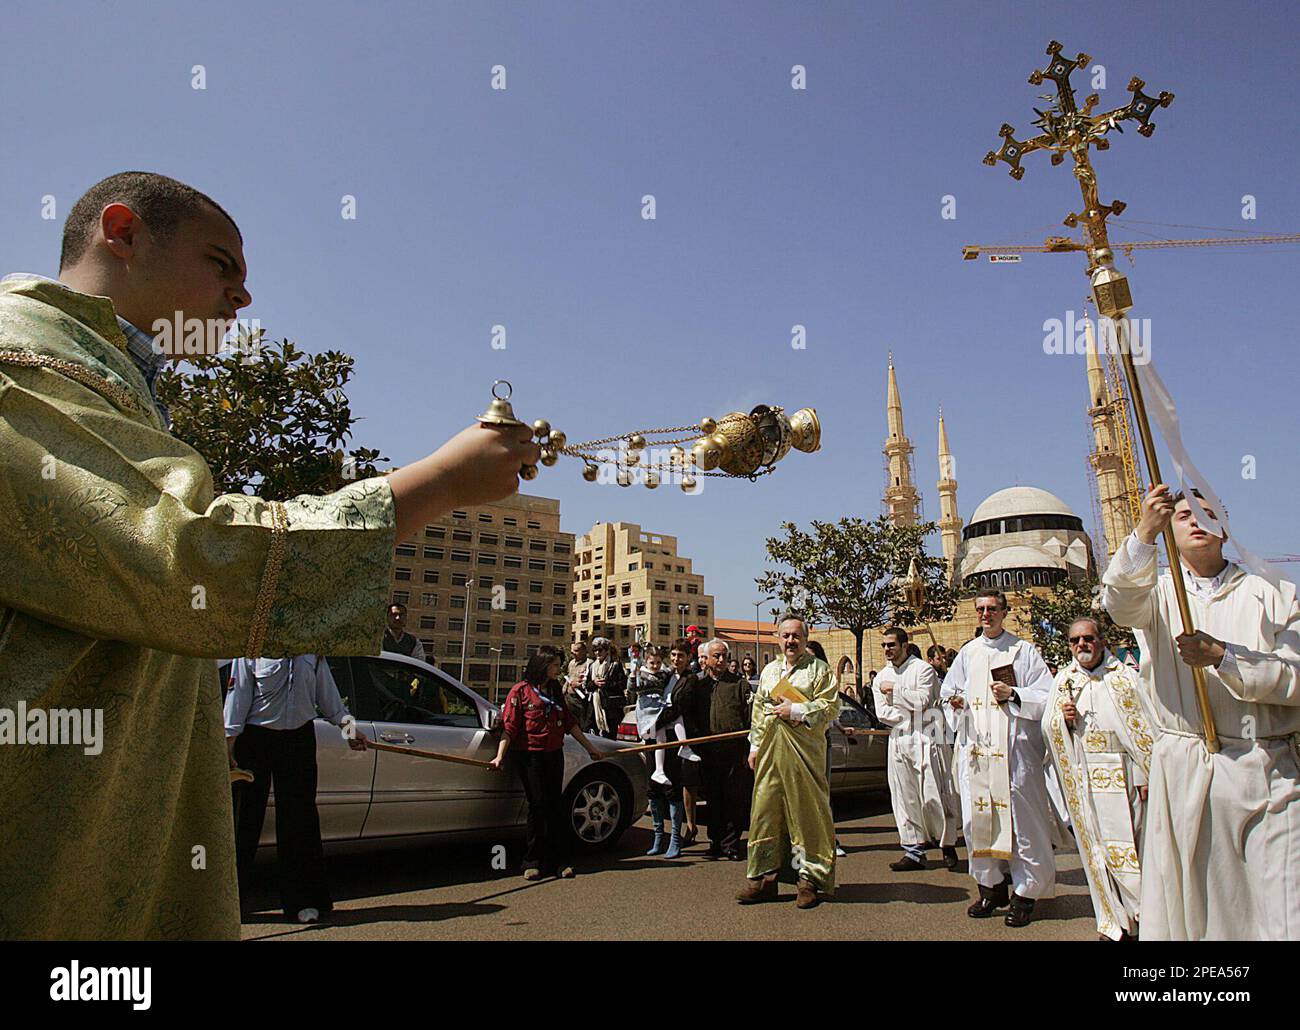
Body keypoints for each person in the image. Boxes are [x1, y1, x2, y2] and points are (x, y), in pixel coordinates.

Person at [0, 171, 539, 940]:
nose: (242, 299)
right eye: (222, 264)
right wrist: (442, 482)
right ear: (120, 232)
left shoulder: (104, 377)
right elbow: (191, 558)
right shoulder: (22, 362)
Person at [1101, 485, 1300, 940]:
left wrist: (1226, 658)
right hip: (1188, 770)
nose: (1197, 520)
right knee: (1199, 907)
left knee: (1281, 907)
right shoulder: (1158, 595)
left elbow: (1295, 676)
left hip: (1264, 769)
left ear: (1225, 529)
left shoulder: (1274, 593)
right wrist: (1143, 534)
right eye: (1184, 513)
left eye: (1209, 513)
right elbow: (1120, 603)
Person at [941, 588, 1056, 927]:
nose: (986, 614)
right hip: (976, 754)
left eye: (992, 608)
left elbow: (1046, 695)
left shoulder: (1024, 651)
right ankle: (991, 887)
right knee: (978, 822)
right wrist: (956, 703)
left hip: (1014, 755)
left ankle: (1026, 892)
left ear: (1004, 612)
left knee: (1021, 824)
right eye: (981, 609)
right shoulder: (969, 653)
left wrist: (1014, 694)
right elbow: (949, 691)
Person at [224, 655, 367, 923]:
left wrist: (350, 731)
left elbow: (330, 699)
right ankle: (228, 903)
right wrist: (229, 742)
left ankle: (301, 901)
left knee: (298, 819)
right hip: (256, 739)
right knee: (244, 820)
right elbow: (238, 695)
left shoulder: (312, 652)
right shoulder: (252, 650)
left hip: (298, 739)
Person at [1043, 618, 1154, 941]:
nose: (1082, 645)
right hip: (1086, 777)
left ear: (1102, 641)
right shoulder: (1064, 680)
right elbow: (1049, 728)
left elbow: (1143, 731)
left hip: (1125, 775)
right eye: (1075, 640)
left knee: (1134, 849)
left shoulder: (1125, 679)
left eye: (1088, 638)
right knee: (1098, 850)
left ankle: (1143, 917)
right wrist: (1062, 722)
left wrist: (1145, 773)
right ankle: (1114, 918)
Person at [738, 616, 840, 909]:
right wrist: (754, 746)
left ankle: (808, 880)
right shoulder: (770, 671)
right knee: (766, 812)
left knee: (805, 814)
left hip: (804, 755)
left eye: (796, 636)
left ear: (806, 639)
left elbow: (830, 707)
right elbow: (759, 711)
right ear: (778, 638)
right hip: (770, 752)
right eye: (785, 636)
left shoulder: (818, 671)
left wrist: (796, 708)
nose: (790, 641)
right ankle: (764, 879)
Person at [489, 646, 604, 879]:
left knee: (555, 805)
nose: (558, 668)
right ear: (542, 665)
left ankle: (560, 861)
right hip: (529, 756)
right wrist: (500, 756)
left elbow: (569, 722)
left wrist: (591, 749)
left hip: (554, 753)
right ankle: (532, 860)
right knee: (538, 804)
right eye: (554, 664)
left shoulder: (554, 691)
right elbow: (509, 728)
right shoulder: (520, 691)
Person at [873, 628, 959, 872]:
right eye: (884, 645)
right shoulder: (881, 677)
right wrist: (907, 711)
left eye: (891, 645)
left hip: (926, 738)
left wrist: (896, 692)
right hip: (899, 740)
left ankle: (947, 844)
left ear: (904, 646)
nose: (887, 650)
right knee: (904, 795)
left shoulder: (922, 669)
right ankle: (913, 850)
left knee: (934, 793)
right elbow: (883, 713)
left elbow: (923, 701)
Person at [676, 639, 752, 860]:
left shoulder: (739, 685)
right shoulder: (699, 686)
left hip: (734, 751)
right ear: (706, 659)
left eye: (724, 656)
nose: (720, 660)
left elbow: (749, 719)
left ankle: (731, 844)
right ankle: (715, 842)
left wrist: (747, 749)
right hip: (709, 751)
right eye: (716, 656)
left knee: (734, 799)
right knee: (713, 799)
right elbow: (685, 712)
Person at [628, 647, 686, 858]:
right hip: (651, 733)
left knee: (671, 788)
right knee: (653, 787)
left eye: (680, 656)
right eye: (673, 656)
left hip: (669, 736)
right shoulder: (648, 673)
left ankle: (675, 839)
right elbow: (633, 687)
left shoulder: (677, 677)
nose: (675, 660)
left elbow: (678, 706)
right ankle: (659, 836)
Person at [584, 637, 627, 739]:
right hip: (594, 706)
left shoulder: (615, 665)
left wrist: (606, 684)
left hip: (610, 708)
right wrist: (594, 683)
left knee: (610, 735)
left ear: (607, 651)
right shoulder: (592, 666)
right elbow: (587, 685)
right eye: (595, 650)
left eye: (600, 650)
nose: (597, 653)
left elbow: (622, 684)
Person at [564, 639, 593, 730]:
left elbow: (591, 682)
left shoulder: (589, 663)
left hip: (580, 699)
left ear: (584, 651)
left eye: (577, 651)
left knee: (579, 724)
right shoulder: (571, 663)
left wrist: (580, 685)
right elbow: (568, 676)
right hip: (568, 697)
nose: (574, 653)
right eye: (573, 651)